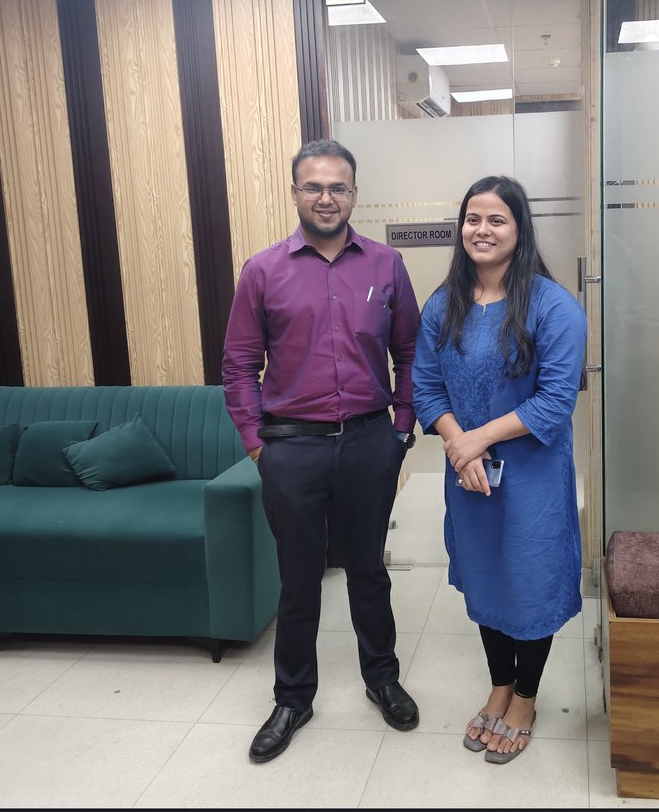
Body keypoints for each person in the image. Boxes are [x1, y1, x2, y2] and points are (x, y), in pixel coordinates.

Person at [222, 139, 421, 764]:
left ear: (354, 193)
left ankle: (382, 678)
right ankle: (293, 698)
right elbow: (239, 365)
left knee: (368, 571)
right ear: (295, 193)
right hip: (290, 449)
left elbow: (411, 354)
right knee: (299, 579)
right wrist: (257, 444)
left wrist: (400, 429)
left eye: (338, 187)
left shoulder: (386, 265)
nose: (326, 197)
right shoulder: (262, 271)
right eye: (313, 186)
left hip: (368, 442)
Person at [412, 175, 587, 764]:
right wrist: (459, 446)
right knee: (486, 578)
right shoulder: (444, 304)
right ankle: (499, 685)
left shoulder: (552, 305)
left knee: (529, 582)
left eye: (496, 220)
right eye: (472, 219)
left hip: (532, 477)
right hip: (470, 476)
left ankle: (526, 698)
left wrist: (478, 439)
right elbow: (425, 386)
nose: (481, 230)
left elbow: (556, 401)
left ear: (519, 229)